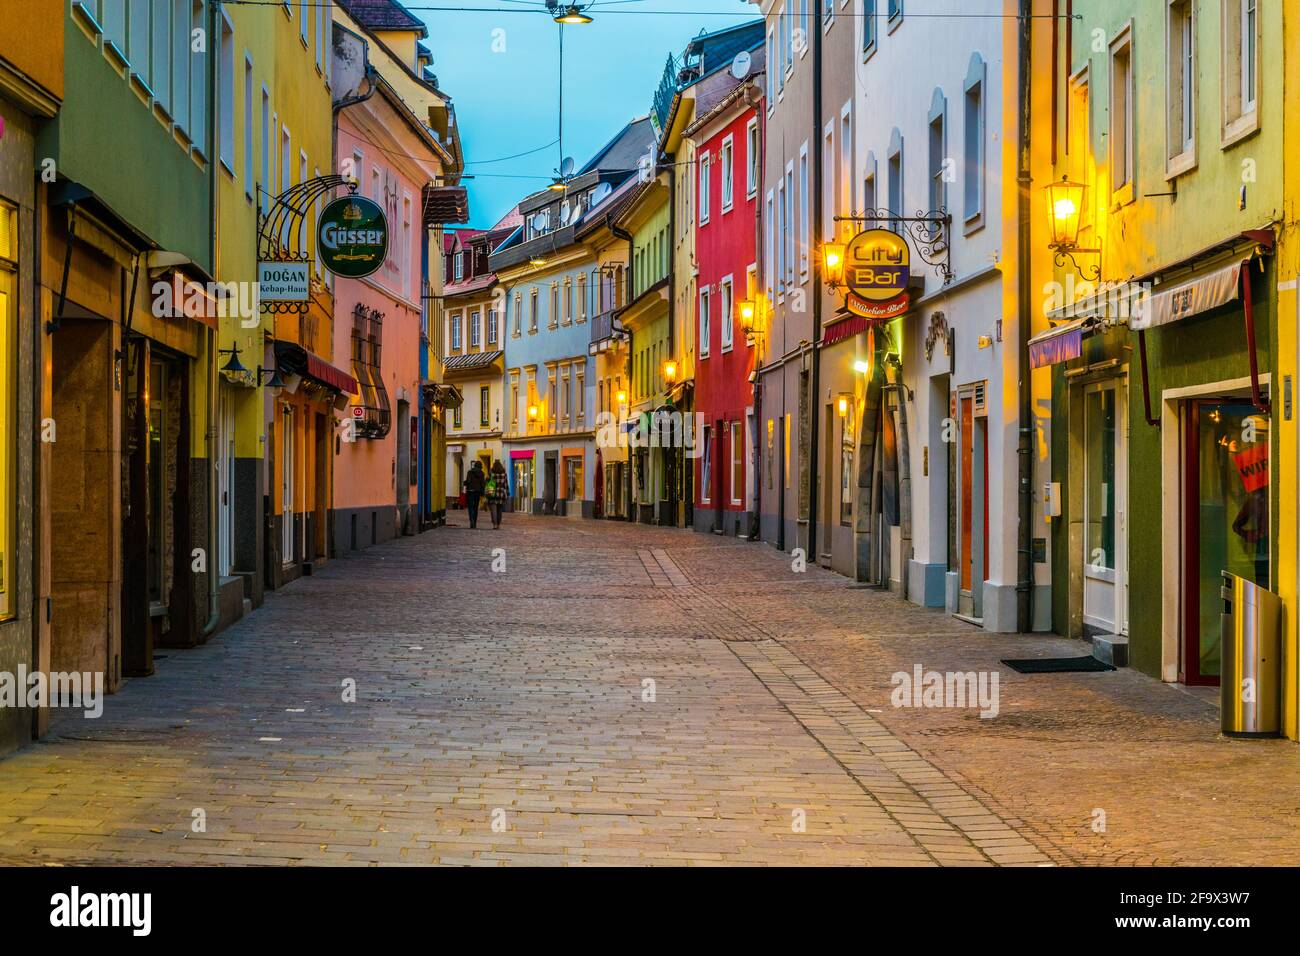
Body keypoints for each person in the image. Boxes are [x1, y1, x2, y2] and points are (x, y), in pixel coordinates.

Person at [463, 460, 486, 529]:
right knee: (475, 507)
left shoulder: (469, 472)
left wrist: (464, 483)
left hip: (470, 491)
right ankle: (475, 522)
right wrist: (482, 492)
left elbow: (468, 481)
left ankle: (471, 520)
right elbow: (483, 484)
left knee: (470, 507)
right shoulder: (482, 474)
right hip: (477, 491)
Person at [486, 460, 508, 529]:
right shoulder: (504, 474)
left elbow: (487, 483)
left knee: (493, 510)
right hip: (501, 493)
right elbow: (506, 485)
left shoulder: (491, 474)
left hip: (492, 493)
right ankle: (498, 524)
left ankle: (494, 524)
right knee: (499, 510)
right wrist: (507, 493)